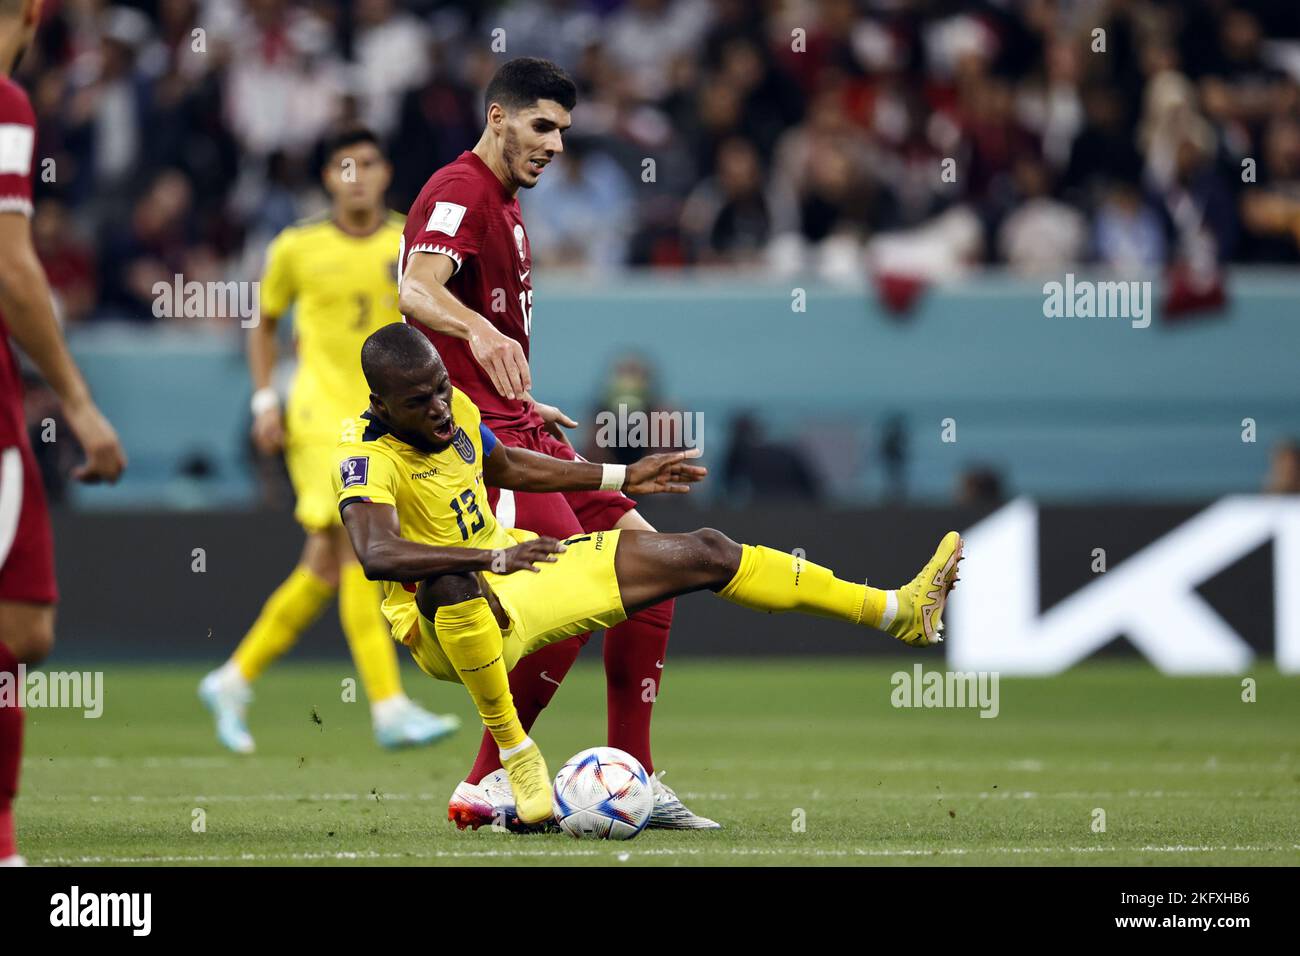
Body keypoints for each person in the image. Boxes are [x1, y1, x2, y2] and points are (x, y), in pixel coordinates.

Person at [333, 324, 963, 826]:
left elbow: (510, 468)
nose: (441, 408)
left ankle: (896, 610)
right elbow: (378, 554)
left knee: (703, 551)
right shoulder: (365, 458)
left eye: (443, 388)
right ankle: (516, 755)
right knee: (452, 583)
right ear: (379, 404)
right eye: (419, 401)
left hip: (520, 578)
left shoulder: (457, 409)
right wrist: (490, 559)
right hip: (443, 627)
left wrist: (619, 476)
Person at [396, 57, 713, 827]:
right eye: (543, 126)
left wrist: (519, 388)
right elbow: (413, 288)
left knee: (653, 572)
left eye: (565, 131)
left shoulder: (502, 200)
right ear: (498, 116)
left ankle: (632, 776)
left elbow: (469, 321)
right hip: (485, 447)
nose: (556, 146)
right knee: (573, 598)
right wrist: (476, 334)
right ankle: (489, 779)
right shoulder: (459, 189)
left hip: (519, 422)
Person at [199, 129, 459, 753]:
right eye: (346, 166)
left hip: (383, 423)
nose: (358, 176)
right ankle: (388, 706)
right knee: (355, 554)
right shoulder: (296, 247)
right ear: (326, 178)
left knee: (321, 564)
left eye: (369, 164)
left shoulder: (411, 243)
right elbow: (261, 326)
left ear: (386, 170)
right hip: (319, 422)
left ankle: (233, 677)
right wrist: (266, 400)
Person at [0, 0, 127, 867]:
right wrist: (78, 403)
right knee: (17, 629)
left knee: (26, 629)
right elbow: (10, 264)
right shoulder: (5, 103)